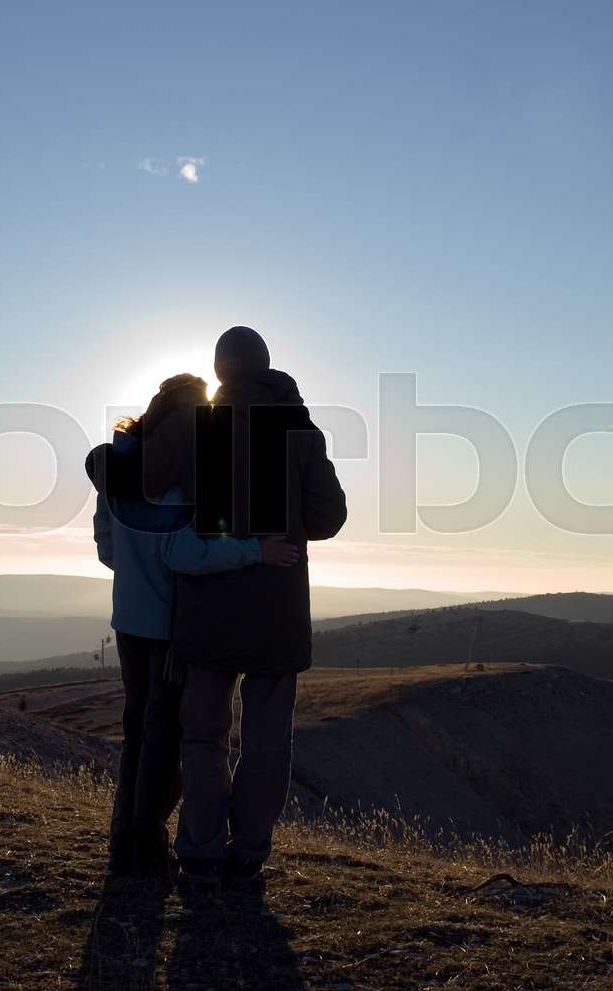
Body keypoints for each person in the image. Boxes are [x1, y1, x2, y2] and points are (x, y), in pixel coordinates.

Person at [85, 372, 299, 880]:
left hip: (126, 620)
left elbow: (107, 548)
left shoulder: (117, 473)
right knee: (162, 735)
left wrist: (136, 574)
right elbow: (185, 554)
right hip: (165, 627)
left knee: (136, 730)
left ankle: (124, 837)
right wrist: (255, 550)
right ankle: (146, 843)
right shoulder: (178, 481)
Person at [171, 327, 347, 888]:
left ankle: (199, 850)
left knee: (203, 737)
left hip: (208, 611)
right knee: (267, 741)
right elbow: (327, 520)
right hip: (277, 613)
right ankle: (248, 852)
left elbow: (186, 519)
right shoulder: (297, 431)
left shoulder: (203, 429)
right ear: (267, 366)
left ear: (220, 370)